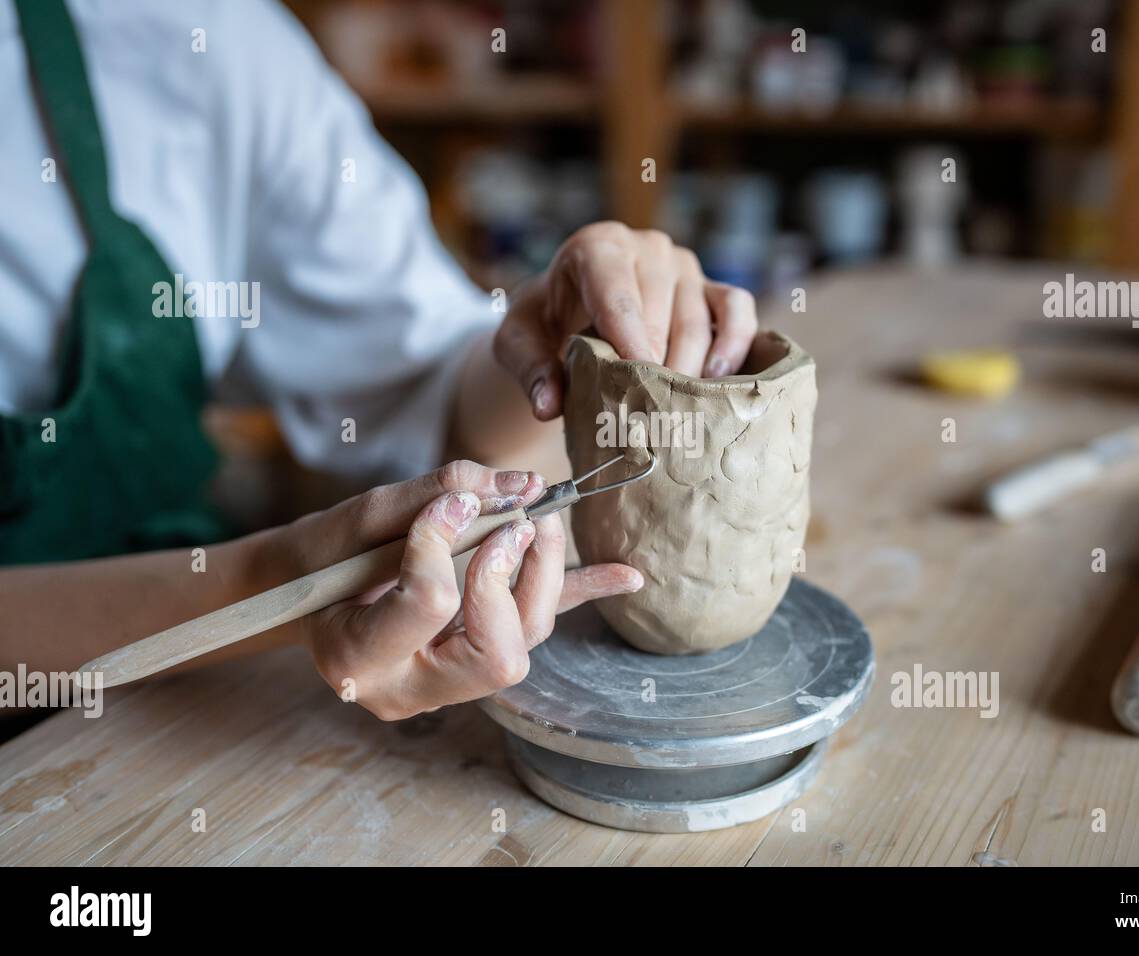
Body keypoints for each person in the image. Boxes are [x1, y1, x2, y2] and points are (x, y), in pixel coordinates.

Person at [0, 0, 757, 721]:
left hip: (176, 710)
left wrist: (558, 340)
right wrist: (267, 584)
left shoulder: (190, 36)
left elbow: (424, 385)